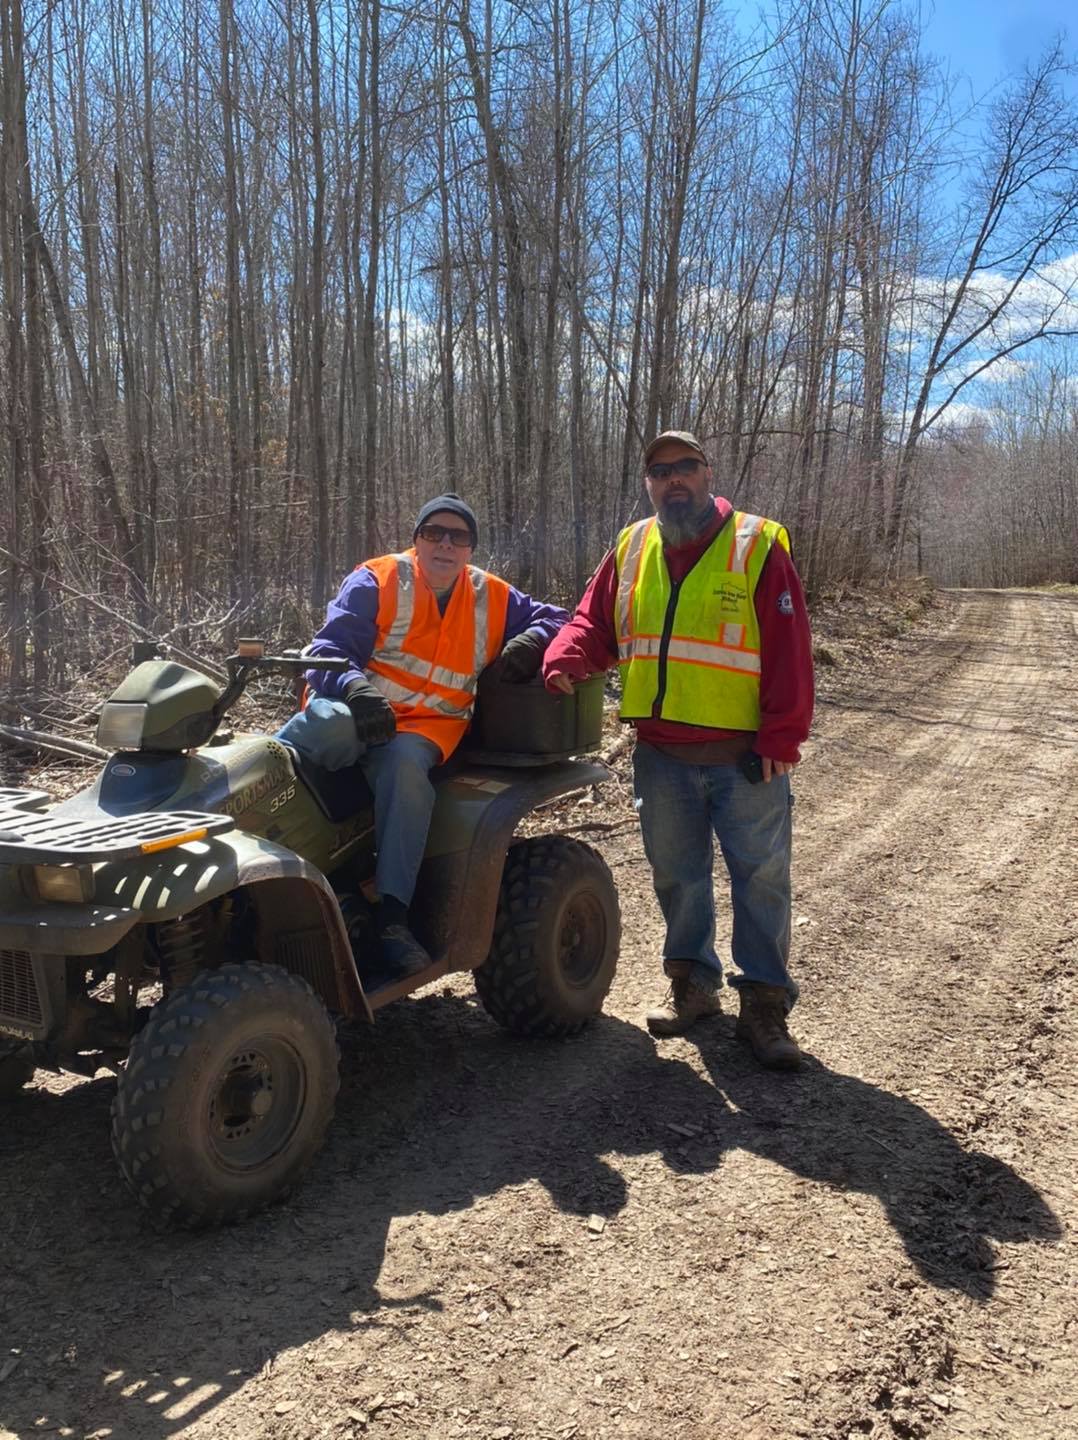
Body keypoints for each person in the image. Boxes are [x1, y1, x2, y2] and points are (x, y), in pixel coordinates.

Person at [542, 432, 814, 1070]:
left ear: (708, 472)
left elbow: (788, 646)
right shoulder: (633, 545)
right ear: (648, 483)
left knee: (762, 879)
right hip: (661, 754)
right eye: (660, 471)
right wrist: (565, 658)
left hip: (745, 755)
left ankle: (765, 1008)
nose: (674, 480)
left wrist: (782, 735)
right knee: (679, 877)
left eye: (685, 467)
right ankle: (694, 988)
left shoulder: (756, 542)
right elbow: (594, 622)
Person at [280, 493, 569, 980]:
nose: (445, 545)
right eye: (434, 533)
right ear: (417, 539)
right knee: (320, 735)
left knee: (404, 772)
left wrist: (532, 639)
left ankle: (392, 918)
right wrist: (355, 689)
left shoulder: (491, 596)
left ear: (471, 549)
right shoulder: (377, 579)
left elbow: (561, 618)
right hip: (359, 710)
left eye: (458, 537)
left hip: (424, 729)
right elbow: (326, 649)